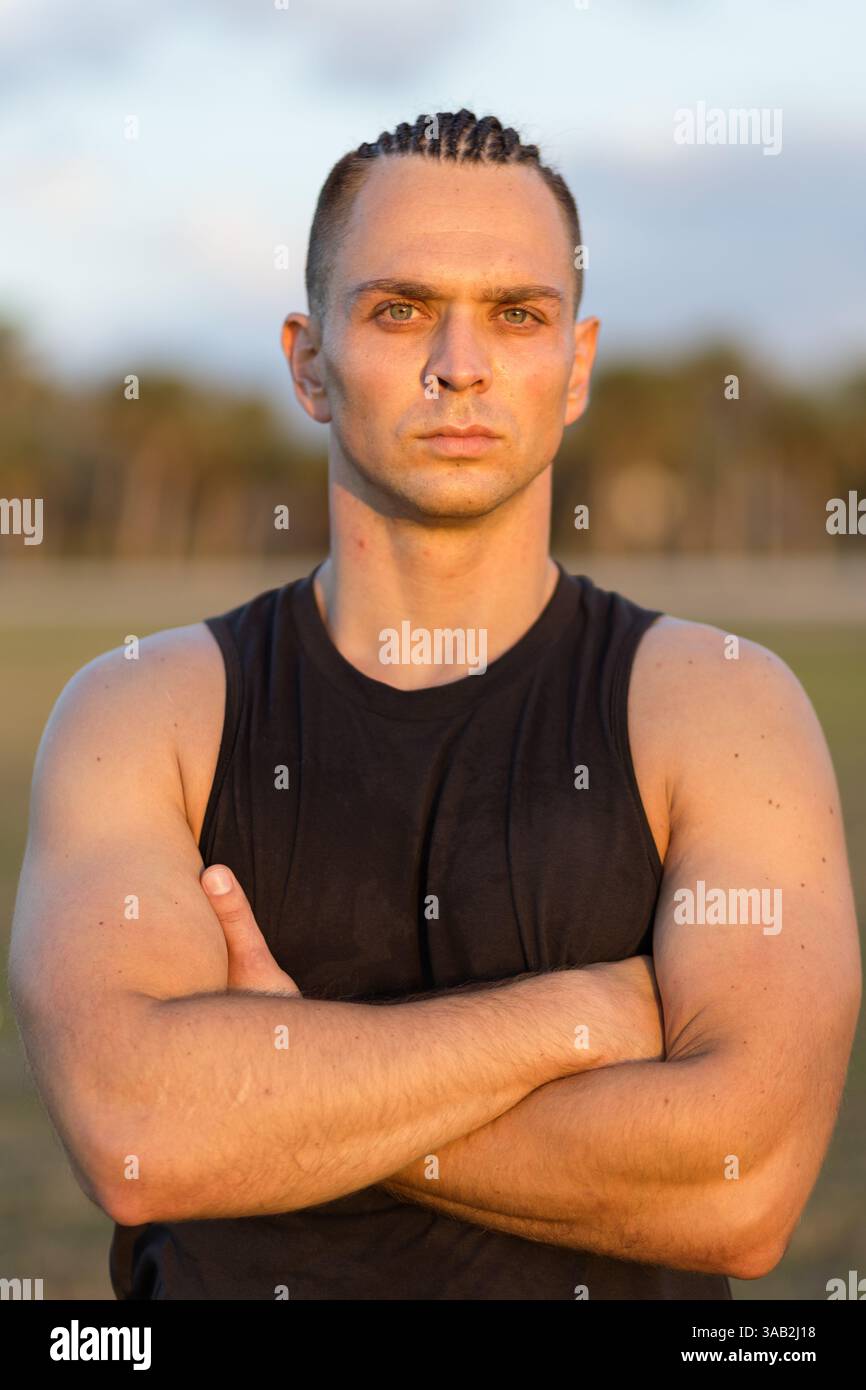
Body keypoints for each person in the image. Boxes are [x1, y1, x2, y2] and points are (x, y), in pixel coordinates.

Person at [9, 110, 860, 1301]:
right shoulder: (144, 709)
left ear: (574, 366)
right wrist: (570, 1018)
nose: (458, 362)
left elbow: (740, 1186)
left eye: (516, 314)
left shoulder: (718, 709)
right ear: (308, 362)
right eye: (399, 308)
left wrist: (285, 1087)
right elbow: (140, 1130)